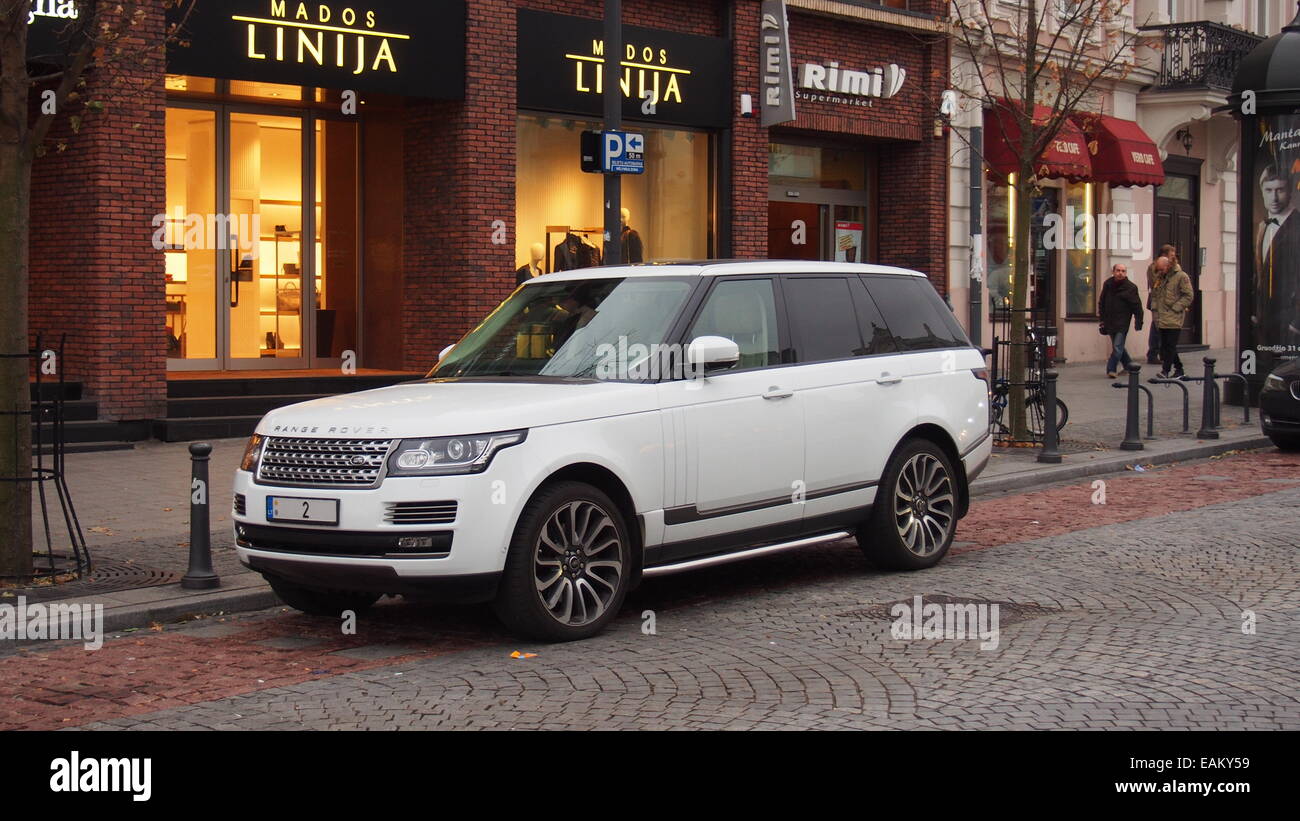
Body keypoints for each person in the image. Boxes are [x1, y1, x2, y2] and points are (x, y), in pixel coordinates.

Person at [1253, 164, 1300, 349]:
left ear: (1289, 191)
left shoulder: (1298, 225)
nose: (1273, 197)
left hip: (1289, 325)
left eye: (1280, 190)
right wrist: (1254, 311)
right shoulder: (1262, 227)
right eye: (1269, 190)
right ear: (1262, 192)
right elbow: (1259, 274)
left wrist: (1296, 324)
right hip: (1264, 323)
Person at [1150, 255, 1194, 379]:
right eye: (1158, 269)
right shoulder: (1161, 278)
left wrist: (1176, 307)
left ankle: (1165, 371)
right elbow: (1155, 295)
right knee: (1166, 346)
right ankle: (1179, 369)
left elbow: (1188, 295)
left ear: (1168, 266)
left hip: (1174, 317)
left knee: (1170, 345)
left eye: (1161, 269)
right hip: (1161, 317)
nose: (1159, 271)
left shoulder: (1181, 276)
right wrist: (1155, 311)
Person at [1097, 262, 1143, 378]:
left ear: (1125, 273)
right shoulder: (1108, 284)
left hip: (1122, 323)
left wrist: (1138, 322)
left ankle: (1111, 369)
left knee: (1117, 346)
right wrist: (1102, 320)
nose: (1120, 273)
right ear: (1113, 272)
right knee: (1118, 346)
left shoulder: (1131, 288)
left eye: (1123, 271)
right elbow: (1102, 302)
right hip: (1109, 322)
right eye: (1118, 271)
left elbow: (1137, 307)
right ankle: (1129, 366)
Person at [1144, 244, 1181, 363]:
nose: (1173, 258)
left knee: (1165, 327)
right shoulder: (1154, 267)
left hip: (1169, 302)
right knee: (1157, 327)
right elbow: (1156, 283)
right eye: (1171, 255)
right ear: (1164, 256)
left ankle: (1164, 354)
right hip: (1157, 302)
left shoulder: (1174, 267)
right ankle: (1153, 353)